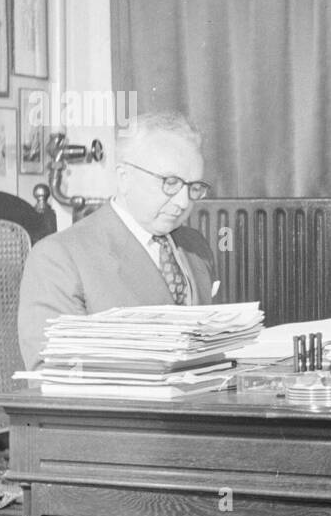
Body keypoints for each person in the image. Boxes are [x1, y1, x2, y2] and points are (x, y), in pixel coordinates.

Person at [17, 111, 219, 369]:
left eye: (194, 187)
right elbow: (54, 375)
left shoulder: (195, 247)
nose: (183, 202)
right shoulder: (58, 258)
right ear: (124, 177)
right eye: (170, 183)